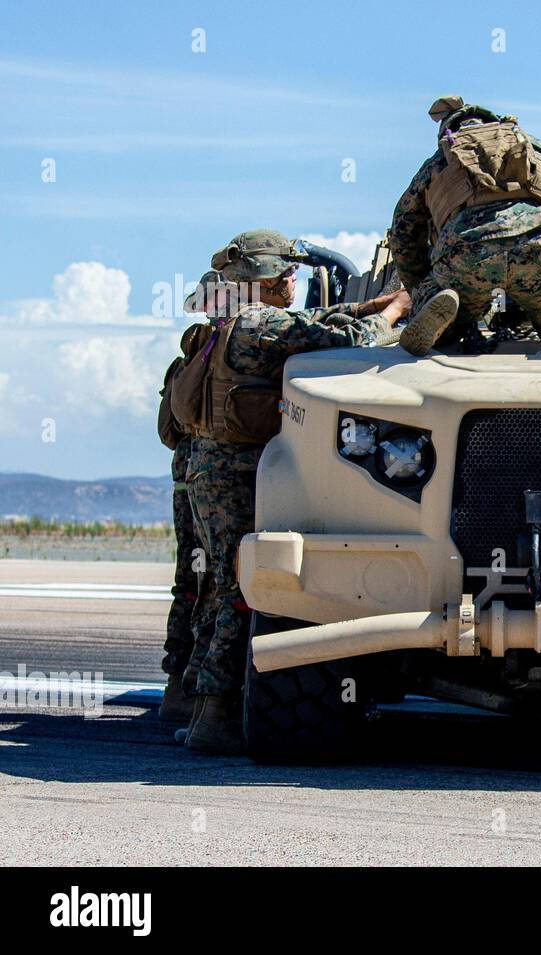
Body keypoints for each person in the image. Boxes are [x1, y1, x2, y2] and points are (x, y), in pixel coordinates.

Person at [179, 229, 410, 754]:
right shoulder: (261, 323)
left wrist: (371, 301)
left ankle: (199, 707)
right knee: (245, 591)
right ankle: (213, 717)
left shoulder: (234, 321)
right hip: (235, 475)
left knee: (223, 587)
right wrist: (394, 311)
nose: (292, 280)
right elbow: (349, 340)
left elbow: (313, 324)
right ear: (260, 280)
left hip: (214, 472)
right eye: (285, 273)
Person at [389, 95, 541, 357]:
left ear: (449, 130)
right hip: (539, 243)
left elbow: (402, 234)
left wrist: (421, 287)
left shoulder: (440, 159)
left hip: (466, 251)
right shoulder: (534, 148)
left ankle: (444, 302)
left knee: (446, 334)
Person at [156, 271, 238, 722]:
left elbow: (169, 433)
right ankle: (191, 687)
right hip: (212, 486)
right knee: (212, 586)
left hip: (189, 484)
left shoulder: (193, 354)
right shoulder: (228, 351)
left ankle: (178, 685)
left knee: (191, 584)